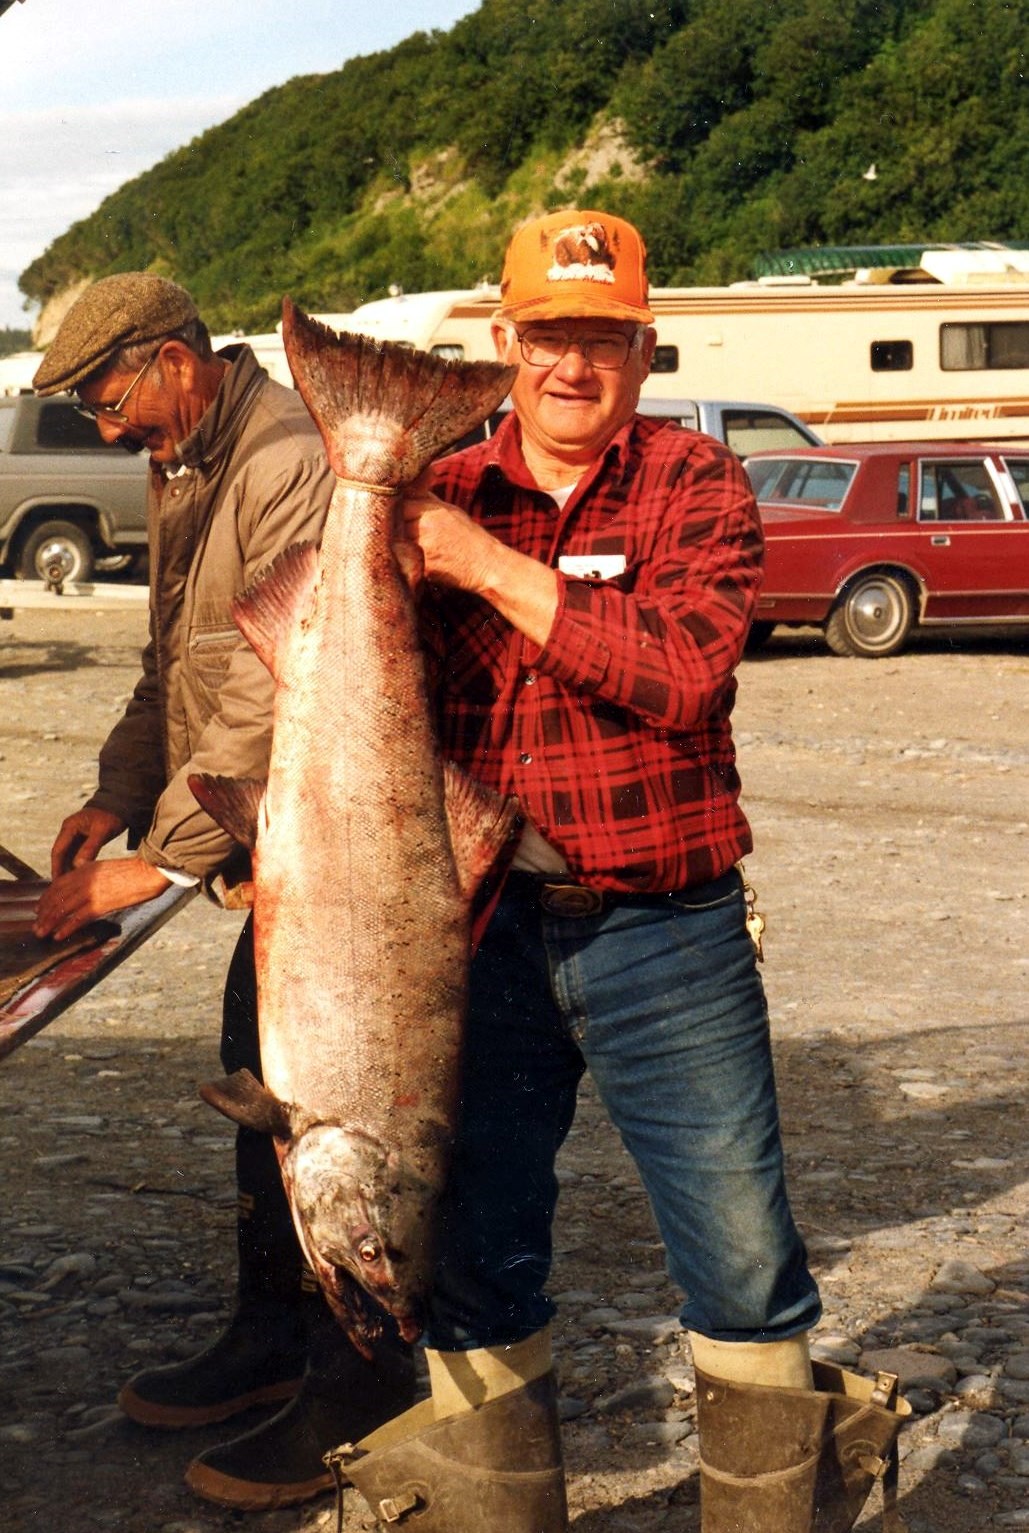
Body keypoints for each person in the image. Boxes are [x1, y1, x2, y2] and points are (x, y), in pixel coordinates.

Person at [331, 212, 910, 1533]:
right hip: (472, 940)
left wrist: (482, 567)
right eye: (548, 338)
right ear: (502, 344)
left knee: (744, 1257)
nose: (571, 366)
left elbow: (681, 671)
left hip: (668, 935)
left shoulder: (697, 482)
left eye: (600, 339)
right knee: (470, 1248)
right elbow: (354, 704)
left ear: (644, 352)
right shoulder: (439, 487)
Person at [30, 275, 416, 1512]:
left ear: (176, 357)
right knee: (263, 1091)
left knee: (335, 1115)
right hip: (265, 854)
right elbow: (173, 666)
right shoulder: (188, 461)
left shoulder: (291, 460)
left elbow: (278, 687)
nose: (104, 430)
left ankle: (360, 1392)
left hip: (335, 853)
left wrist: (165, 860)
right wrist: (115, 793)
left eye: (108, 399)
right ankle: (269, 1340)